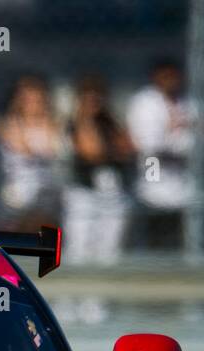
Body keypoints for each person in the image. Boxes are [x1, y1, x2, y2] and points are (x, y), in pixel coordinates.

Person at [126, 58, 197, 250]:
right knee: (154, 215)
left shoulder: (187, 102)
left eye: (174, 76)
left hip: (180, 177)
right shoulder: (145, 101)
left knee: (179, 234)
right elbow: (149, 143)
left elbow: (194, 141)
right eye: (166, 76)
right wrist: (173, 131)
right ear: (156, 77)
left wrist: (174, 135)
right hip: (152, 168)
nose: (171, 81)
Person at [64, 74, 132, 265]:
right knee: (80, 246)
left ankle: (101, 294)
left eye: (97, 96)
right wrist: (85, 118)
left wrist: (112, 151)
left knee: (109, 248)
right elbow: (92, 152)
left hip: (112, 188)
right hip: (84, 189)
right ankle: (75, 294)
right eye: (88, 97)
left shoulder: (110, 122)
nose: (93, 101)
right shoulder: (75, 123)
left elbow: (128, 149)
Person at [0, 75, 65, 231]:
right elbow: (25, 149)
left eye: (38, 99)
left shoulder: (54, 123)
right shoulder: (8, 124)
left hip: (48, 192)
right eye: (28, 99)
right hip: (18, 193)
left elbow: (53, 149)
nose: (34, 104)